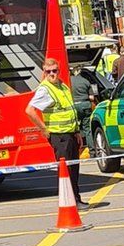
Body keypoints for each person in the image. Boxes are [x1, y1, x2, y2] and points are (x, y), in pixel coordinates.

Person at [25, 58, 89, 211]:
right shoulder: (45, 89)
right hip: (59, 136)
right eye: (48, 71)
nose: (52, 74)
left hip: (70, 134)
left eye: (55, 70)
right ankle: (70, 201)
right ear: (44, 72)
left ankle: (75, 199)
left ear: (59, 71)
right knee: (66, 170)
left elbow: (70, 110)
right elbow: (29, 111)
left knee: (73, 168)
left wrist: (77, 132)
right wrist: (43, 129)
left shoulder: (63, 86)